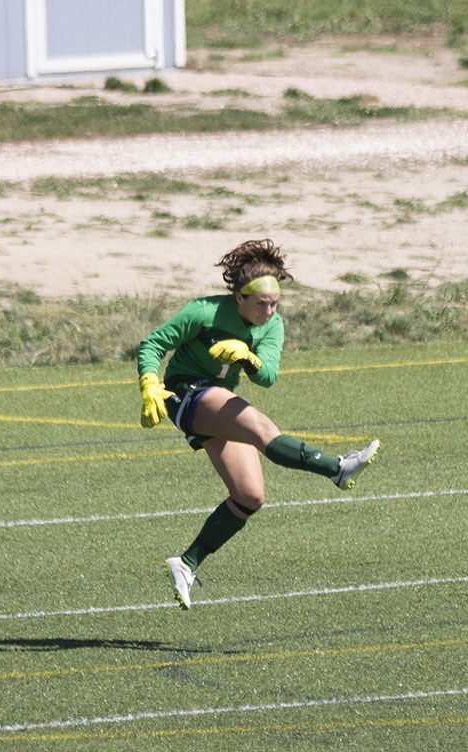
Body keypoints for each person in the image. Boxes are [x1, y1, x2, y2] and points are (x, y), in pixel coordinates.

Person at [137, 239, 379, 610]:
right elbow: (152, 344)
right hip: (185, 393)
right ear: (239, 297)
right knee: (263, 429)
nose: (269, 311)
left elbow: (267, 376)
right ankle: (338, 468)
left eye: (275, 303)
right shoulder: (203, 312)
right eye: (261, 303)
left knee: (250, 496)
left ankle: (187, 562)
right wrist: (149, 384)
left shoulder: (273, 326)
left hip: (216, 397)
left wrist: (248, 359)